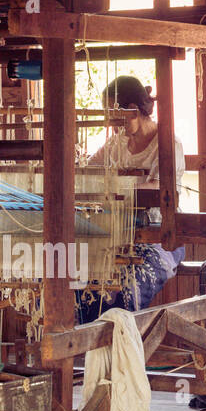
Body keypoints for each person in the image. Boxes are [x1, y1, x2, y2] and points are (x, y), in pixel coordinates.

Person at [79, 75, 185, 320]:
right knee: (88, 286)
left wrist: (114, 193)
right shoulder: (116, 144)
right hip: (118, 237)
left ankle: (126, 351)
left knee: (127, 288)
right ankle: (98, 355)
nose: (111, 123)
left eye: (115, 116)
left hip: (162, 240)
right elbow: (85, 172)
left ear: (134, 111)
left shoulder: (168, 144)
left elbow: (158, 189)